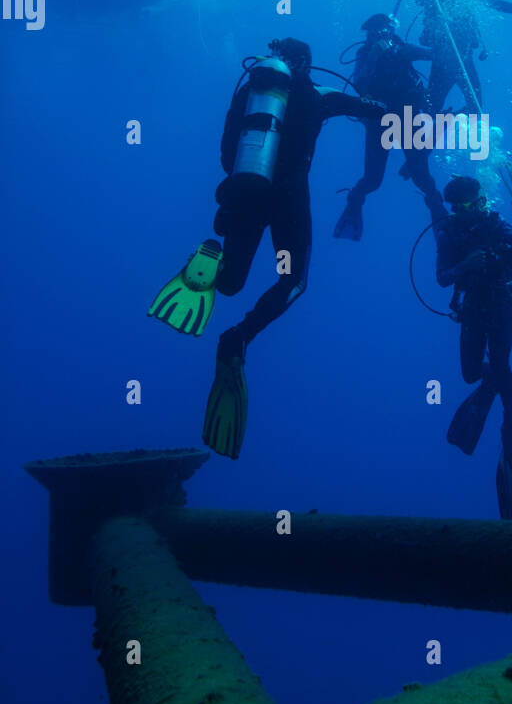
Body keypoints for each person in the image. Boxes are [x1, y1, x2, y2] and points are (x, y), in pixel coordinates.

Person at [148, 37, 383, 458]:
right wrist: (385, 106)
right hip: (288, 200)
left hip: (245, 191)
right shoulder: (319, 93)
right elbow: (367, 109)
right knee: (292, 281)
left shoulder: (252, 91)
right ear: (307, 66)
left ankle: (210, 255)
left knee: (232, 284)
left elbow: (226, 153)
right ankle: (239, 338)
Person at [434, 176, 512, 520]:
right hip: (472, 307)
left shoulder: (496, 224)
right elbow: (442, 277)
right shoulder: (449, 233)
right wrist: (466, 264)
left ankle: (511, 426)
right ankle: (491, 385)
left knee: (501, 363)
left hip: (502, 304)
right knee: (470, 374)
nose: (470, 210)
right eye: (462, 206)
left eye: (474, 203)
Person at [334, 13, 441, 239]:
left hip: (408, 118)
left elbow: (435, 55)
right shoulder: (364, 54)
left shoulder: (403, 48)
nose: (379, 37)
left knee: (422, 177)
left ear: (391, 31)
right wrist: (373, 56)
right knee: (373, 180)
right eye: (374, 34)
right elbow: (359, 83)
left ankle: (440, 219)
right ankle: (354, 203)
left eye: (383, 32)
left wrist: (437, 40)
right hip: (378, 121)